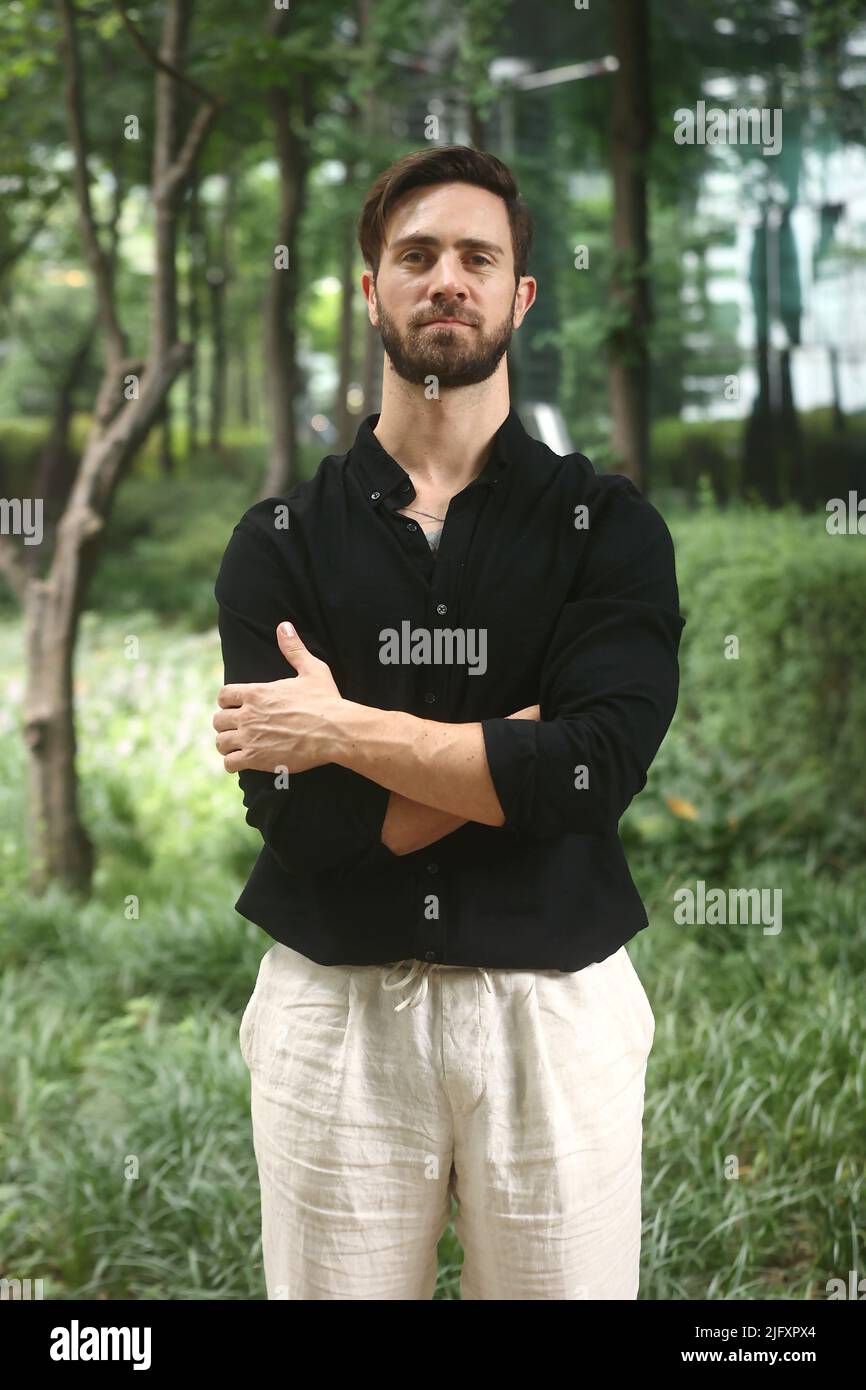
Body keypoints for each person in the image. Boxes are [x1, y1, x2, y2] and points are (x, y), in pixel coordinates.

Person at [212, 145, 685, 1300]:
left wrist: (337, 728)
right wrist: (512, 748)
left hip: (555, 1014)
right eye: (413, 255)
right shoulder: (276, 540)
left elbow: (591, 771)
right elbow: (304, 822)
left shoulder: (607, 527)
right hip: (337, 1018)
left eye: (478, 256)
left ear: (518, 294)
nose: (445, 279)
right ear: (369, 287)